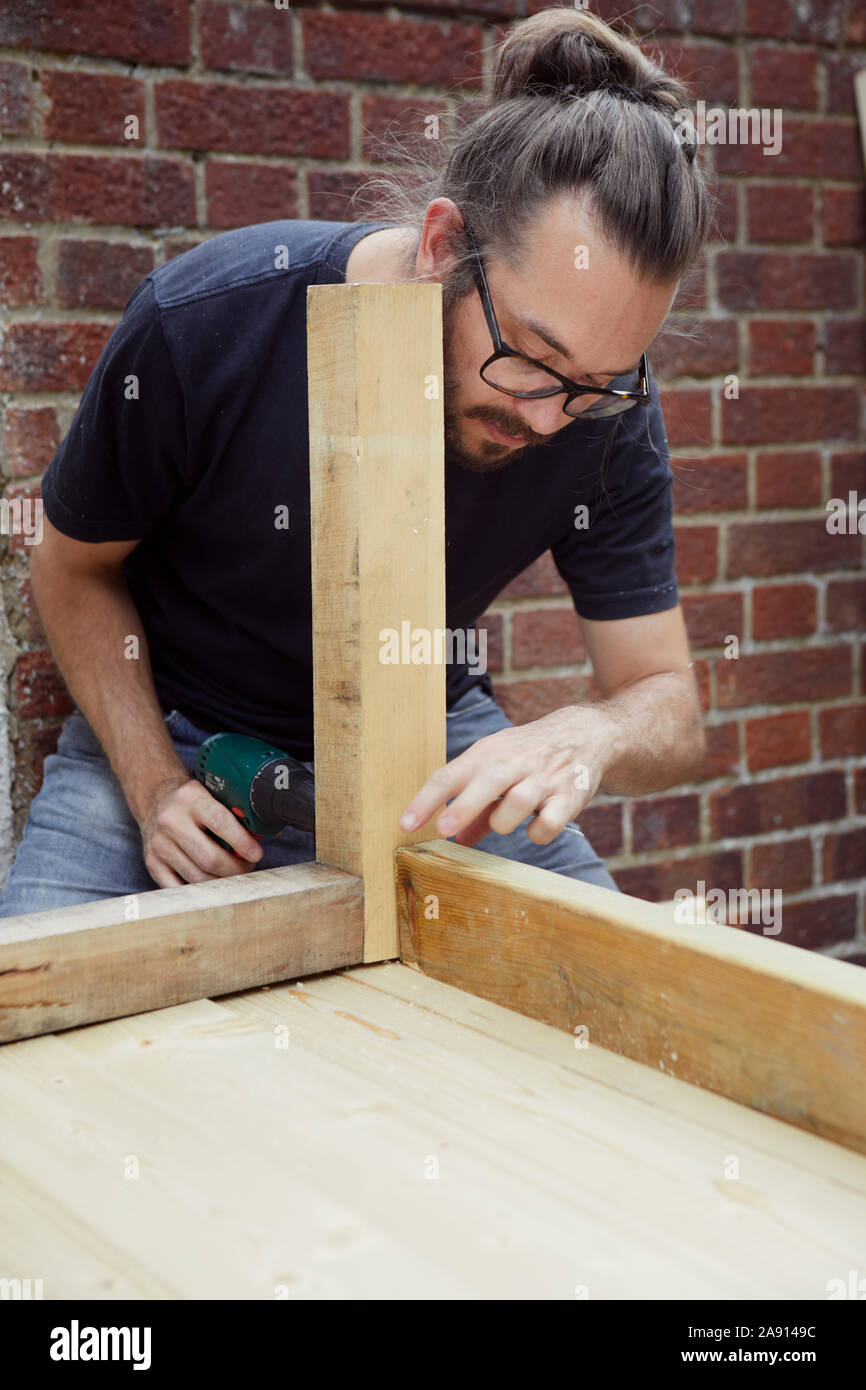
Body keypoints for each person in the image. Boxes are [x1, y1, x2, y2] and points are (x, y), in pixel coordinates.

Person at [0, 9, 711, 916]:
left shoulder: (607, 412)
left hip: (426, 742)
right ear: (443, 245)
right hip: (180, 734)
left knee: (628, 1007)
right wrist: (150, 790)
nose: (547, 416)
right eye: (531, 356)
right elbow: (68, 568)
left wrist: (590, 732)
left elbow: (667, 703)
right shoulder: (206, 321)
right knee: (39, 1030)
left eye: (595, 382)